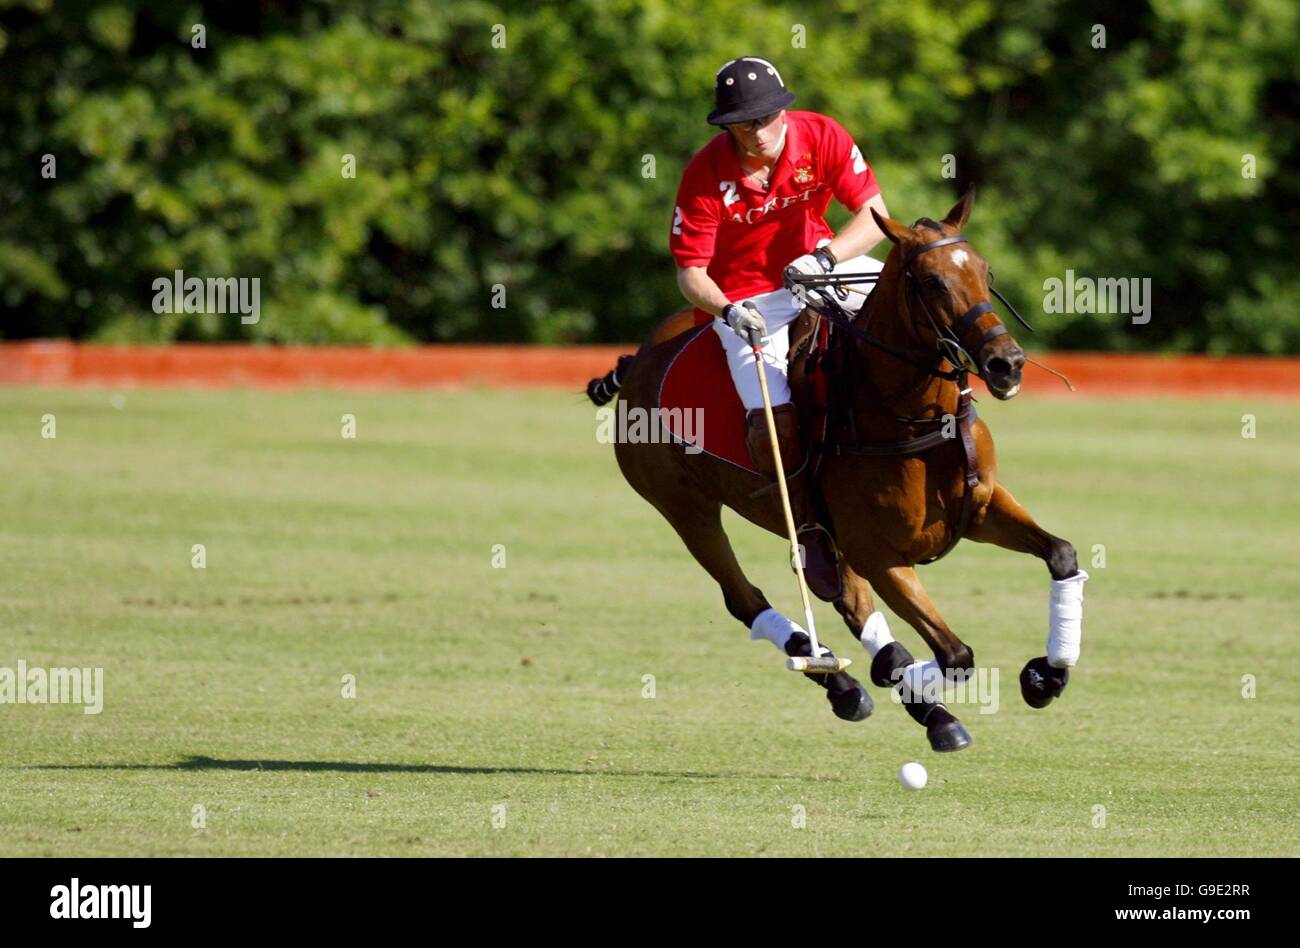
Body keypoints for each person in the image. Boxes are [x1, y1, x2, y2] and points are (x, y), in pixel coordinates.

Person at [668, 55, 892, 601]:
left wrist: (826, 258)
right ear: (726, 125)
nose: (757, 130)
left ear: (783, 110)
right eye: (743, 121)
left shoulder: (822, 136)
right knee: (772, 416)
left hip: (820, 265)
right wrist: (725, 310)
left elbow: (875, 215)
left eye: (767, 117)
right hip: (748, 301)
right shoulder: (705, 174)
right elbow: (690, 273)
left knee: (912, 309)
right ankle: (810, 524)